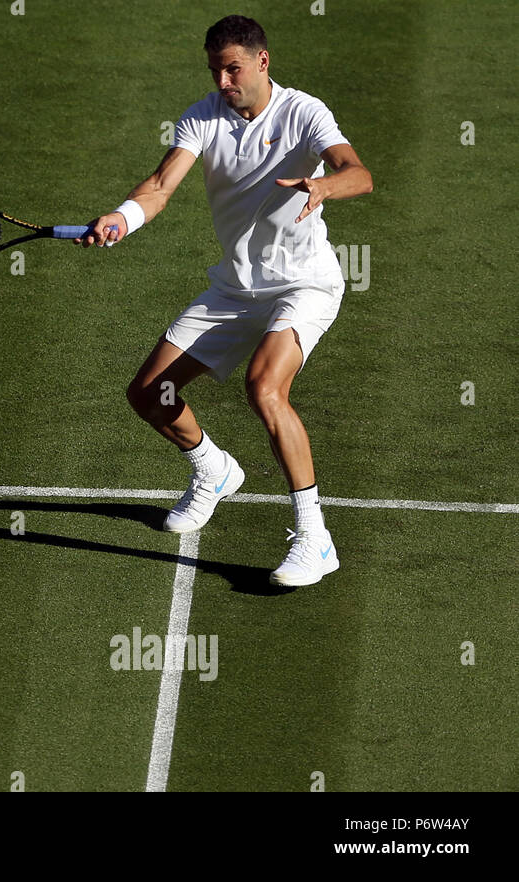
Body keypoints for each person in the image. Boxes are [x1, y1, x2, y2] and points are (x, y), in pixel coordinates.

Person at [78, 14, 372, 586]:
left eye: (232, 68)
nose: (223, 79)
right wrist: (123, 217)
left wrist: (322, 185)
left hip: (302, 285)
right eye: (215, 69)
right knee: (149, 393)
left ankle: (315, 538)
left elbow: (357, 173)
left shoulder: (304, 113)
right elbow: (161, 186)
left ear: (263, 62)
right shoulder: (203, 118)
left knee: (264, 387)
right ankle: (212, 469)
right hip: (235, 289)